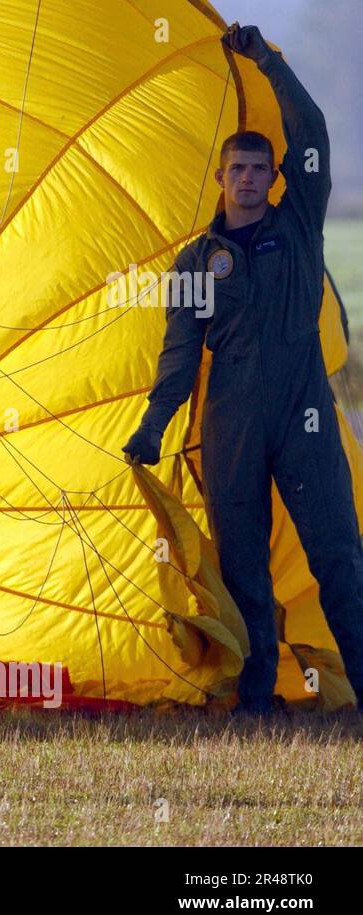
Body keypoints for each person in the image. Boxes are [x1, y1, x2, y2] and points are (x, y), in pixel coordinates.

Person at [123, 24, 363, 714]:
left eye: (261, 168)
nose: (251, 179)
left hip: (305, 411)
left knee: (338, 555)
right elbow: (177, 354)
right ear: (223, 177)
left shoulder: (298, 227)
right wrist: (153, 423)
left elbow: (312, 134)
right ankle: (256, 698)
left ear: (273, 176)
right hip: (229, 417)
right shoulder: (196, 263)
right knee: (242, 568)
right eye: (239, 170)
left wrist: (266, 63)